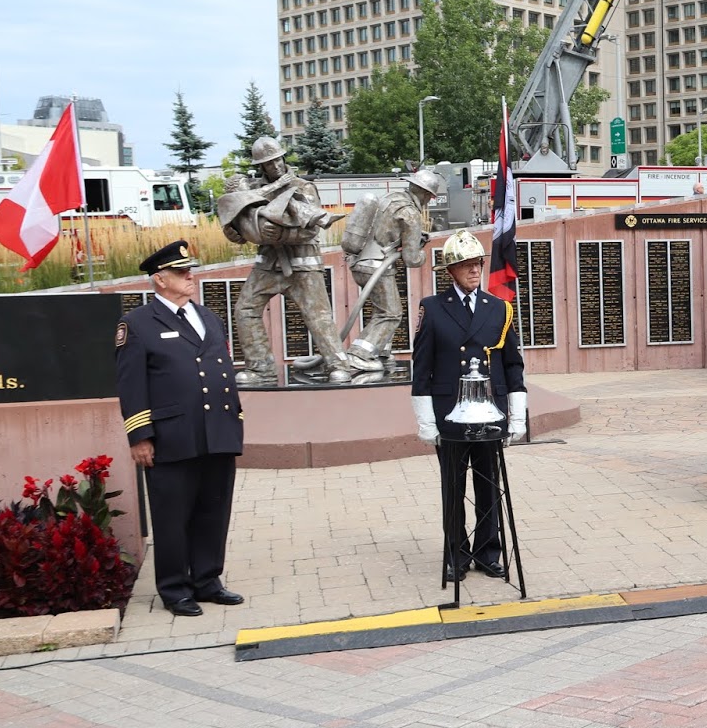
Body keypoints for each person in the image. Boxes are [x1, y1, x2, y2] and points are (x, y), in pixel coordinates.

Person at [115, 241, 246, 617]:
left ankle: (207, 580)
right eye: (180, 272)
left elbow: (222, 373)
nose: (191, 276)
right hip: (173, 436)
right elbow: (130, 385)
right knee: (173, 516)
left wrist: (233, 421)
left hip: (217, 432)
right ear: (160, 280)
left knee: (213, 510)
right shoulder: (137, 324)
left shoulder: (208, 317)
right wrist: (140, 436)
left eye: (190, 270)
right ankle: (174, 589)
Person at [410, 231, 528, 582]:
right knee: (453, 487)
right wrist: (426, 420)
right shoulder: (432, 308)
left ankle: (488, 551)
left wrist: (517, 414)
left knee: (489, 483)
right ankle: (456, 553)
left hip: (489, 410)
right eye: (465, 265)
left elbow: (512, 364)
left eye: (477, 263)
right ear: (451, 270)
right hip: (450, 412)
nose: (474, 270)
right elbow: (422, 368)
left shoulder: (499, 309)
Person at [218, 137, 355, 386]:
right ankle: (261, 370)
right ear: (262, 166)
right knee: (245, 309)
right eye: (269, 163)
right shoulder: (249, 192)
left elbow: (311, 230)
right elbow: (239, 233)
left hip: (303, 263)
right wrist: (234, 229)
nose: (276, 166)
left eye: (278, 159)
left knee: (318, 315)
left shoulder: (303, 187)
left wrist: (280, 234)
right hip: (268, 264)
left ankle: (338, 365)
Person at [343, 168, 438, 369]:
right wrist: (422, 253)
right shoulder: (411, 214)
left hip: (360, 262)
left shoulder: (391, 198)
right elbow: (411, 259)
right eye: (429, 196)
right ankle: (360, 354)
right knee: (391, 313)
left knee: (381, 309)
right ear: (425, 194)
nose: (429, 200)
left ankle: (382, 351)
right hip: (377, 265)